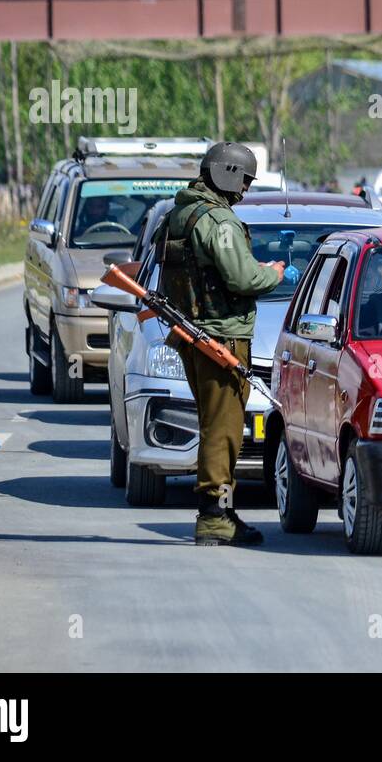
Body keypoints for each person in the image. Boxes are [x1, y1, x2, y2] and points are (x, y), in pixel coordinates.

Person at [157, 142, 284, 547]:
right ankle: (215, 516)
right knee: (224, 429)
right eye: (244, 179)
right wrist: (276, 274)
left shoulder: (179, 213)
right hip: (221, 336)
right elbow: (243, 280)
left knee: (215, 424)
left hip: (192, 334)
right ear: (227, 173)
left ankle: (221, 511)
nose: (246, 189)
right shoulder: (219, 221)